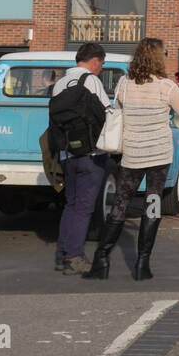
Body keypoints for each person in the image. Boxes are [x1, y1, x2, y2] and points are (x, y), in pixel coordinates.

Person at [86, 38, 179, 280]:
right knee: (152, 205)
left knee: (121, 204)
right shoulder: (167, 87)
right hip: (158, 155)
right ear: (159, 57)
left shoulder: (125, 83)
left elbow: (119, 108)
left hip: (132, 153)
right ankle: (142, 264)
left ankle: (101, 260)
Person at [52, 44, 113, 275]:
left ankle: (62, 255)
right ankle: (74, 256)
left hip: (67, 153)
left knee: (71, 205)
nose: (101, 67)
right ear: (95, 60)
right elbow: (107, 111)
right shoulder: (91, 81)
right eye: (102, 63)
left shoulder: (60, 83)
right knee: (84, 208)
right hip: (91, 153)